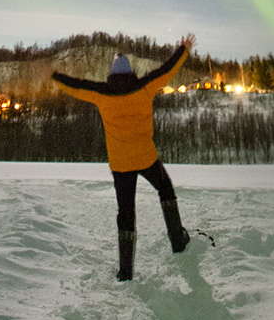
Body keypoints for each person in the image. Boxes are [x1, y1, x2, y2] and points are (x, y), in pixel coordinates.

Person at [52, 34, 195, 280]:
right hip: (146, 159)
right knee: (166, 190)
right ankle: (178, 241)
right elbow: (166, 71)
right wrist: (183, 49)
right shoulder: (145, 86)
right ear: (130, 72)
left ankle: (125, 270)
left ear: (112, 73)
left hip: (120, 165)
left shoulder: (102, 93)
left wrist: (55, 76)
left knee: (125, 211)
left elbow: (76, 86)